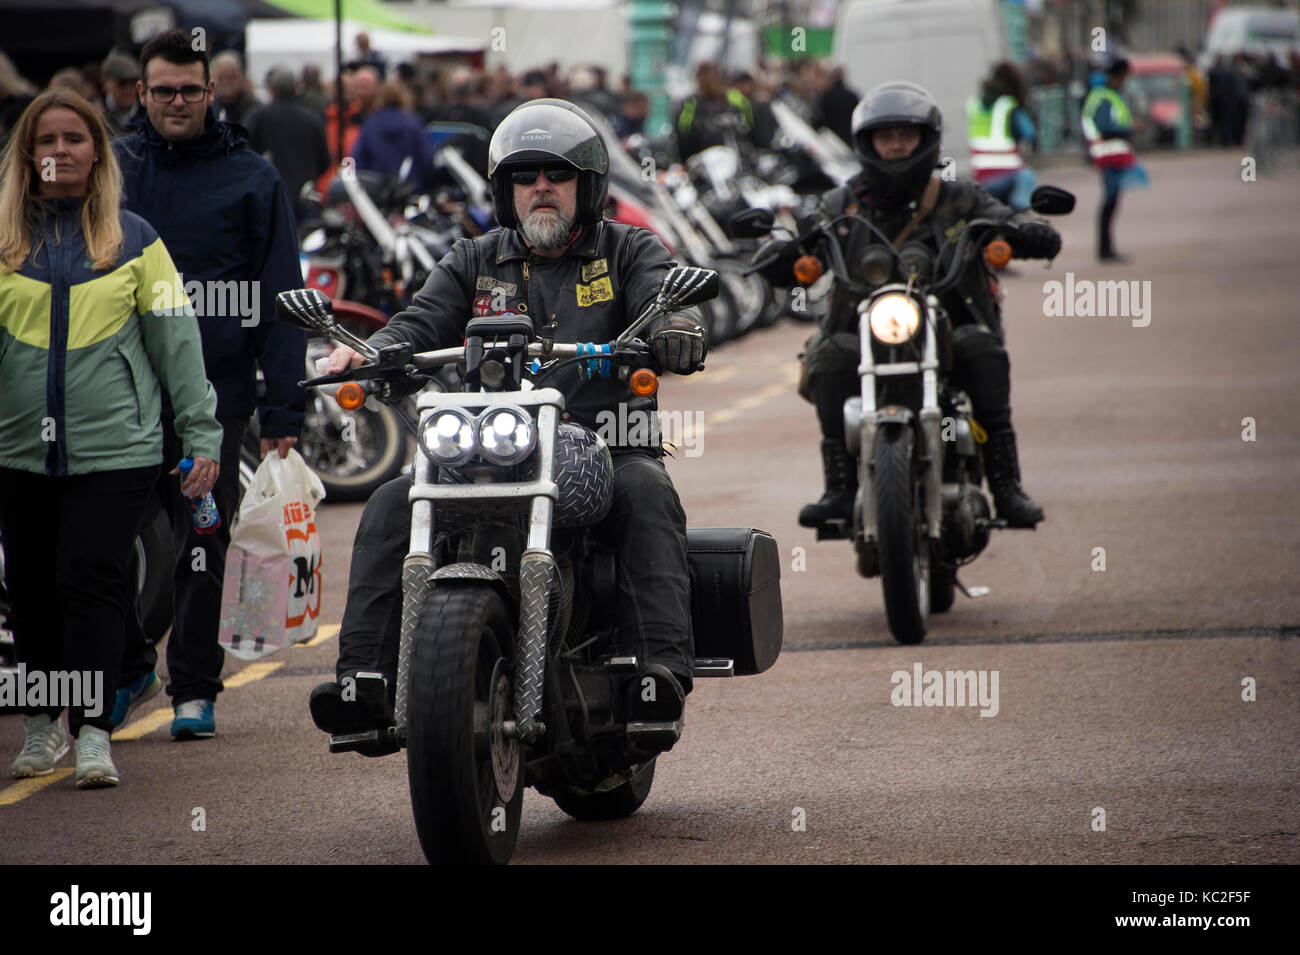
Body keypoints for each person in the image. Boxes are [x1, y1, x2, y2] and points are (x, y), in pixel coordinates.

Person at [307, 98, 708, 753]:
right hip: (489, 450)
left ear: (589, 185)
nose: (541, 187)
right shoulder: (474, 259)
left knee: (647, 492)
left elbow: (667, 301)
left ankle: (657, 674)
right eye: (526, 176)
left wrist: (677, 330)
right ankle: (365, 680)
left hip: (605, 444)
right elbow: (418, 321)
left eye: (557, 173)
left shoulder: (629, 249)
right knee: (389, 501)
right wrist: (371, 349)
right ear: (505, 190)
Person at [0, 88, 222, 786]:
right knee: (29, 588)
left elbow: (177, 343)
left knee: (90, 579)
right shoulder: (3, 241)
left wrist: (202, 435)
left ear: (98, 152)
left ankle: (93, 730)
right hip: (17, 451)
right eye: (46, 140)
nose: (59, 151)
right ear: (26, 153)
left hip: (117, 450)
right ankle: (40, 725)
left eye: (74, 139)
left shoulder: (136, 240)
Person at [111, 29, 306, 739]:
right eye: (163, 90)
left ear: (211, 92)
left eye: (190, 90)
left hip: (216, 400)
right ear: (141, 92)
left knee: (203, 543)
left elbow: (283, 293)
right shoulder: (113, 168)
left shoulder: (251, 175)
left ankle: (194, 687)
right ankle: (129, 666)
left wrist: (285, 405)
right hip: (115, 398)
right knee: (103, 547)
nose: (177, 102)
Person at [756, 82, 1059, 531]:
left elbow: (1004, 219)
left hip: (951, 324)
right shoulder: (843, 204)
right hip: (865, 330)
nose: (896, 145)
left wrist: (1020, 231)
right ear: (868, 143)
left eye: (906, 135)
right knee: (828, 355)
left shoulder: (961, 198)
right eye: (885, 136)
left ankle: (1006, 486)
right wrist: (785, 256)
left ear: (926, 139)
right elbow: (808, 239)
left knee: (983, 352)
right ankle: (839, 488)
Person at [1081, 58, 1148, 262]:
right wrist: (1129, 129)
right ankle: (1104, 249)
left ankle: (1107, 248)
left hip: (1111, 153)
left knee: (1112, 201)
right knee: (1109, 201)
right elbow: (1104, 127)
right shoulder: (1103, 96)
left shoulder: (1107, 94)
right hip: (1107, 154)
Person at [246, 67, 330, 223]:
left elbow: (246, 155)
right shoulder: (312, 119)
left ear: (272, 89)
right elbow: (325, 161)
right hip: (305, 196)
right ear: (296, 88)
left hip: (271, 198)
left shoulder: (259, 117)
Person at [967, 61, 1037, 210]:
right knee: (1027, 176)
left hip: (980, 177)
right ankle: (1021, 213)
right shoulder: (1007, 105)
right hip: (1007, 175)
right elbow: (1029, 133)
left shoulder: (975, 104)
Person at [350, 79, 437, 193]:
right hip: (410, 190)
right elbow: (427, 160)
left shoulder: (370, 125)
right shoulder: (413, 124)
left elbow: (358, 159)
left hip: (377, 193)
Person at [675, 61, 754, 162]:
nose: (708, 80)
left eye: (711, 76)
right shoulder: (691, 103)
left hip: (734, 155)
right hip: (701, 157)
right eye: (704, 76)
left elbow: (749, 123)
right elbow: (683, 132)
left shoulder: (734, 98)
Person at [212, 51, 259, 126]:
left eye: (231, 77)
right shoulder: (207, 106)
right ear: (213, 79)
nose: (226, 82)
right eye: (221, 77)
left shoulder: (254, 108)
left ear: (241, 78)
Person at [99, 52, 140, 137]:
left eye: (133, 83)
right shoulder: (95, 115)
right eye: (122, 83)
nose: (128, 90)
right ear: (105, 84)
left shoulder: (147, 115)